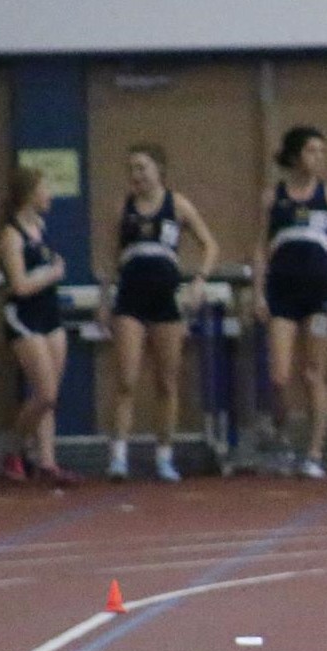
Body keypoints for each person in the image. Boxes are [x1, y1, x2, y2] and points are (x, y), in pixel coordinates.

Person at [100, 145, 219, 482]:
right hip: (130, 300)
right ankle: (118, 456)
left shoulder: (177, 205)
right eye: (131, 169)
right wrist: (104, 299)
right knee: (126, 378)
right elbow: (111, 257)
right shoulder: (123, 208)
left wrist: (199, 281)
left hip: (166, 299)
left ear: (159, 170)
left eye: (142, 168)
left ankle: (164, 455)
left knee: (166, 381)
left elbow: (210, 245)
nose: (136, 175)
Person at [254, 126, 327, 479]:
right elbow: (260, 249)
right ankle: (281, 438)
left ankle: (314, 452)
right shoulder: (274, 197)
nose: (319, 158)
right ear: (296, 155)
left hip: (320, 294)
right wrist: (258, 292)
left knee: (313, 374)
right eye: (312, 150)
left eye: (322, 151)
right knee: (279, 376)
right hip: (282, 293)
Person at [0, 166, 79, 485]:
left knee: (52, 395)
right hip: (24, 316)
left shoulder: (40, 227)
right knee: (44, 394)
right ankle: (14, 449)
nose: (51, 196)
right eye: (46, 189)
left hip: (49, 313)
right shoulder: (11, 235)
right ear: (30, 194)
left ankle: (47, 461)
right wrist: (52, 274)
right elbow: (19, 285)